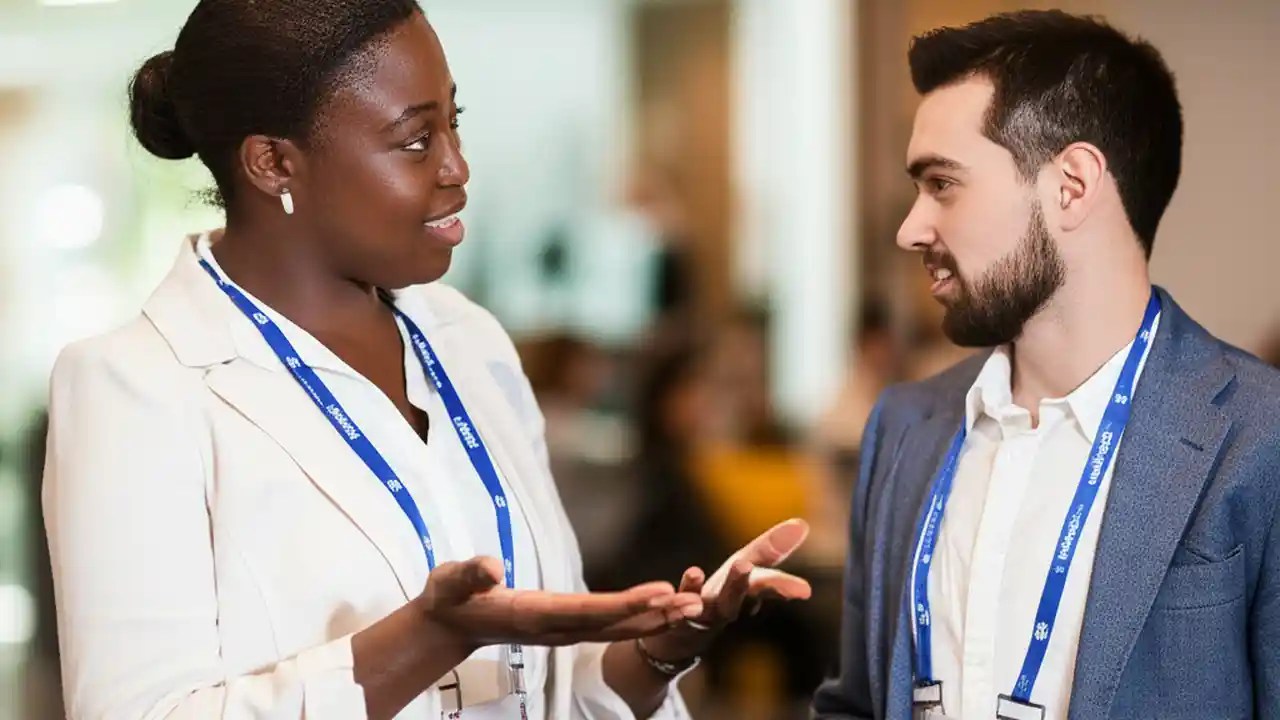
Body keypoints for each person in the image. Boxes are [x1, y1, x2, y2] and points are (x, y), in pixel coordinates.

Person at [41, 3, 813, 719]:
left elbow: (546, 688)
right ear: (274, 163)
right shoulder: (135, 389)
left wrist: (656, 649)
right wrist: (430, 637)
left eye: (454, 123)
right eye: (415, 140)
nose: (457, 167)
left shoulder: (467, 340)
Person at [813, 10, 1280, 720]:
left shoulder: (1258, 436)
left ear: (1071, 185)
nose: (911, 228)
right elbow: (854, 706)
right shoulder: (902, 429)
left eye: (942, 183)